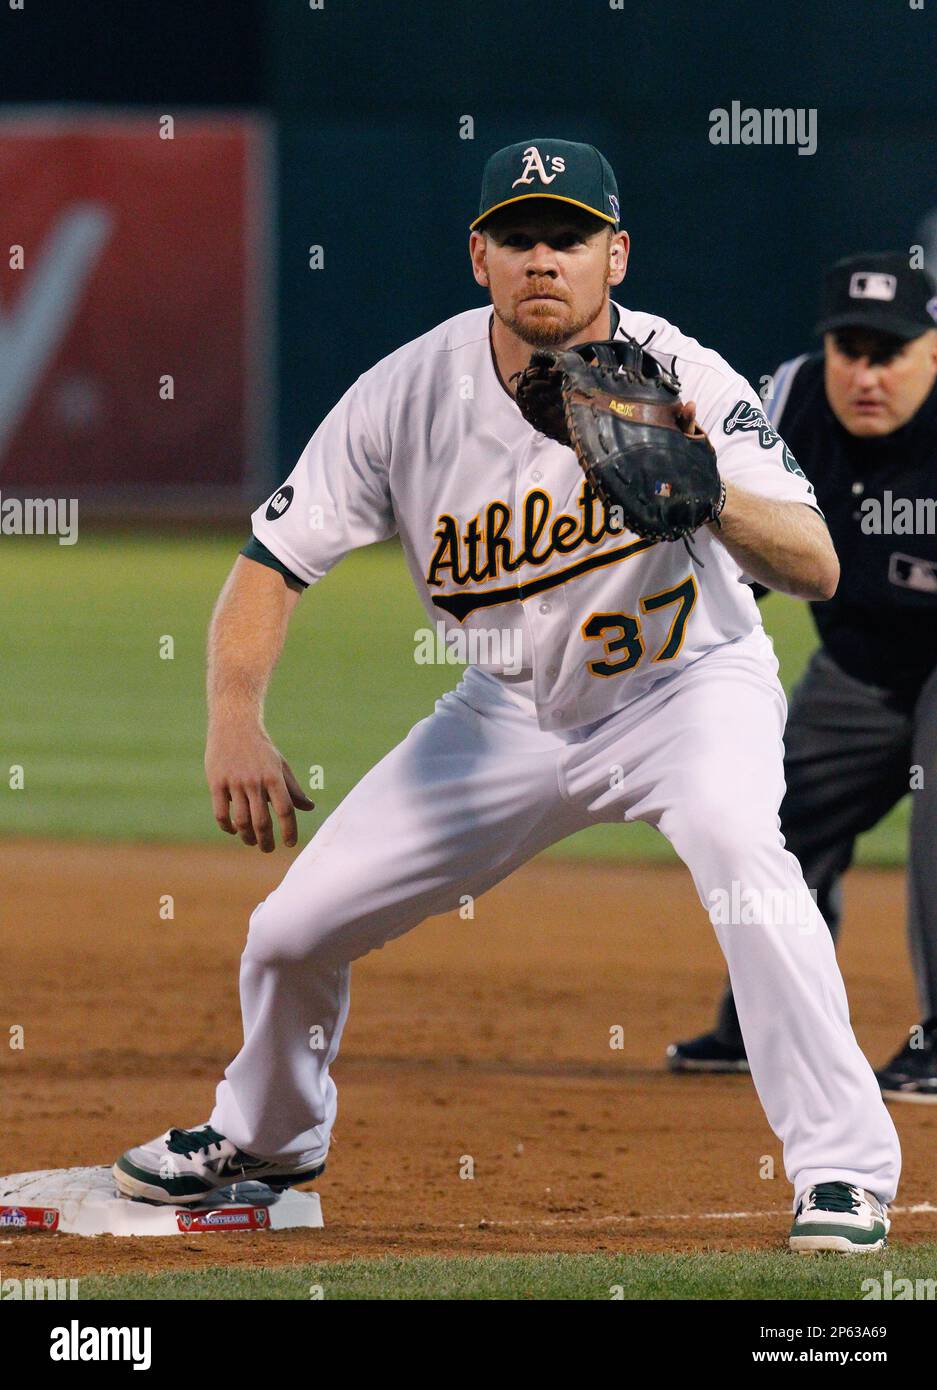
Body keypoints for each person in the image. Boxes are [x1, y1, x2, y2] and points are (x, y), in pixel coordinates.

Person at [112, 141, 899, 1252]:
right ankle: (271, 1136)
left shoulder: (683, 375)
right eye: (520, 235)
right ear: (478, 254)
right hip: (504, 713)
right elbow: (271, 564)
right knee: (291, 930)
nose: (545, 257)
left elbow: (814, 563)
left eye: (570, 236)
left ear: (614, 254)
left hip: (688, 687)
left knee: (741, 853)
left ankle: (841, 1172)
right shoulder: (404, 392)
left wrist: (705, 487)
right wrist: (233, 718)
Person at [668, 252, 937, 1103]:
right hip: (857, 667)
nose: (864, 372)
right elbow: (738, 552)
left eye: (888, 351)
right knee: (771, 821)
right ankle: (765, 1019)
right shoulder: (784, 402)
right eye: (847, 348)